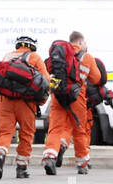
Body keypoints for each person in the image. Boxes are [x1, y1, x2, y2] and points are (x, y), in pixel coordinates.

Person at [0, 35, 48, 180]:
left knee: (5, 132)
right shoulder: (35, 58)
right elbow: (45, 82)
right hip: (26, 102)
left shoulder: (7, 56)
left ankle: (1, 153)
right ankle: (21, 168)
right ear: (32, 46)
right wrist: (41, 102)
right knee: (26, 134)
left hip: (5, 100)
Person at [43, 31, 100, 175]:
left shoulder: (61, 55)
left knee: (55, 129)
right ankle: (82, 164)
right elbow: (96, 79)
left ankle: (50, 156)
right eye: (85, 42)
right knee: (79, 130)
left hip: (58, 96)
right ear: (80, 42)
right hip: (77, 97)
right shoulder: (87, 57)